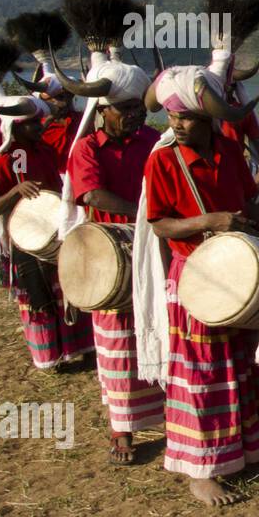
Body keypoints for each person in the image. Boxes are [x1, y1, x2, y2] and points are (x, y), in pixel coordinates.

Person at [138, 66, 259, 506]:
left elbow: (247, 204)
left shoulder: (228, 152)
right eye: (172, 116)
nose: (177, 125)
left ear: (209, 119)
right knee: (199, 371)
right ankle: (199, 469)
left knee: (239, 363)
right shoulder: (162, 159)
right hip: (193, 274)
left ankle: (240, 448)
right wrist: (208, 222)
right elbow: (159, 224)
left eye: (187, 118)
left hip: (235, 270)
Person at [59, 56, 165, 463]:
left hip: (150, 245)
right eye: (127, 110)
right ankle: (121, 431)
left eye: (139, 108)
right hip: (110, 256)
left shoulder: (152, 141)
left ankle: (167, 415)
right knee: (118, 344)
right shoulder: (86, 148)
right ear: (102, 111)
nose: (135, 116)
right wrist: (144, 216)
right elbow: (92, 196)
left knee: (154, 330)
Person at [0, 96, 94, 370]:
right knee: (41, 298)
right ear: (16, 128)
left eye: (38, 121)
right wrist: (15, 190)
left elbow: (57, 185)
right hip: (27, 239)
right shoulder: (4, 161)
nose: (39, 126)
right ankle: (50, 358)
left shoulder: (43, 149)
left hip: (54, 231)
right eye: (32, 124)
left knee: (68, 291)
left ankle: (82, 349)